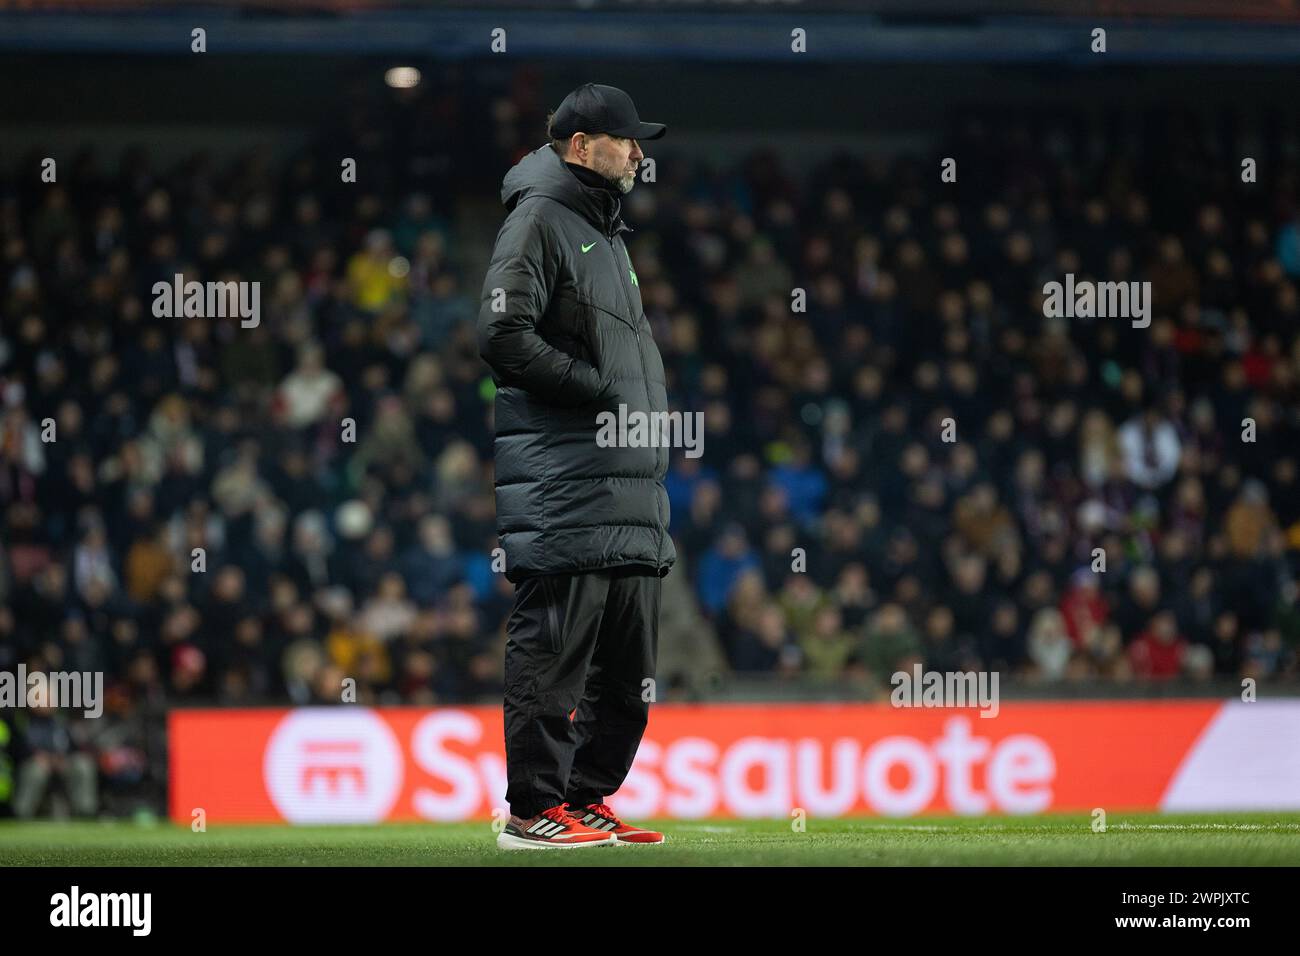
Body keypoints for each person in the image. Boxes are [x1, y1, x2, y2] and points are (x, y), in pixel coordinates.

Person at [478, 84, 674, 849]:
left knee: (625, 674)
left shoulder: (603, 231)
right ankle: (531, 811)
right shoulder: (538, 219)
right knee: (553, 655)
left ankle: (586, 797)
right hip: (567, 487)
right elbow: (501, 335)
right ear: (581, 144)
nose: (639, 154)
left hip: (624, 491)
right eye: (627, 141)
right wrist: (596, 390)